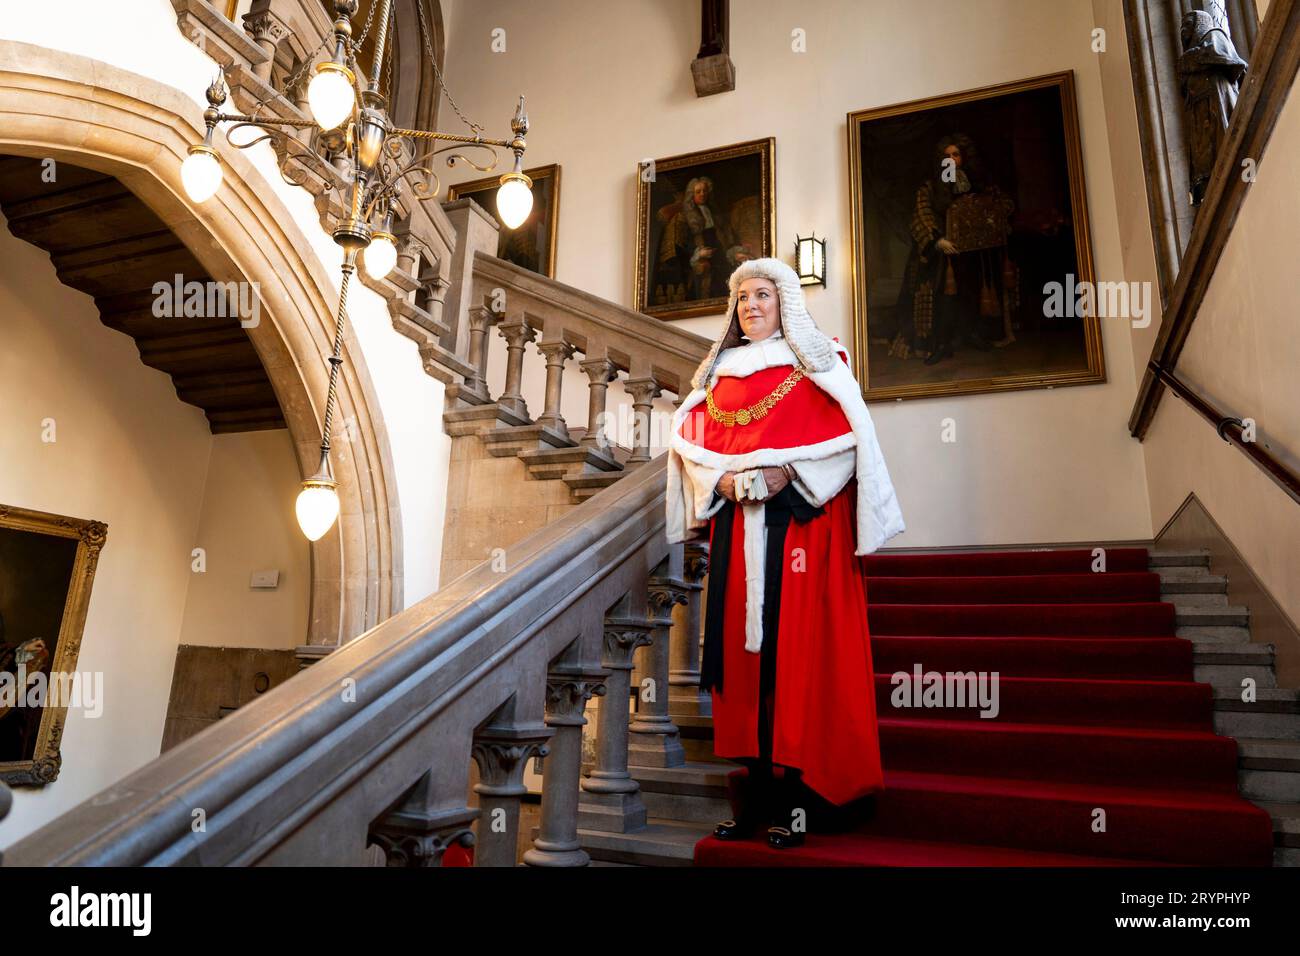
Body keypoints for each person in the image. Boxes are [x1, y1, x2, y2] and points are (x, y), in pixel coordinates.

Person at [666, 257, 906, 849]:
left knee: (794, 666)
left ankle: (800, 805)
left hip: (801, 534)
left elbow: (848, 443)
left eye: (763, 295)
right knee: (743, 671)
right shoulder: (716, 376)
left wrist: (789, 472)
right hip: (736, 543)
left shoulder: (820, 361)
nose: (751, 305)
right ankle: (754, 803)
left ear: (786, 303)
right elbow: (693, 446)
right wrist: (715, 482)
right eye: (743, 297)